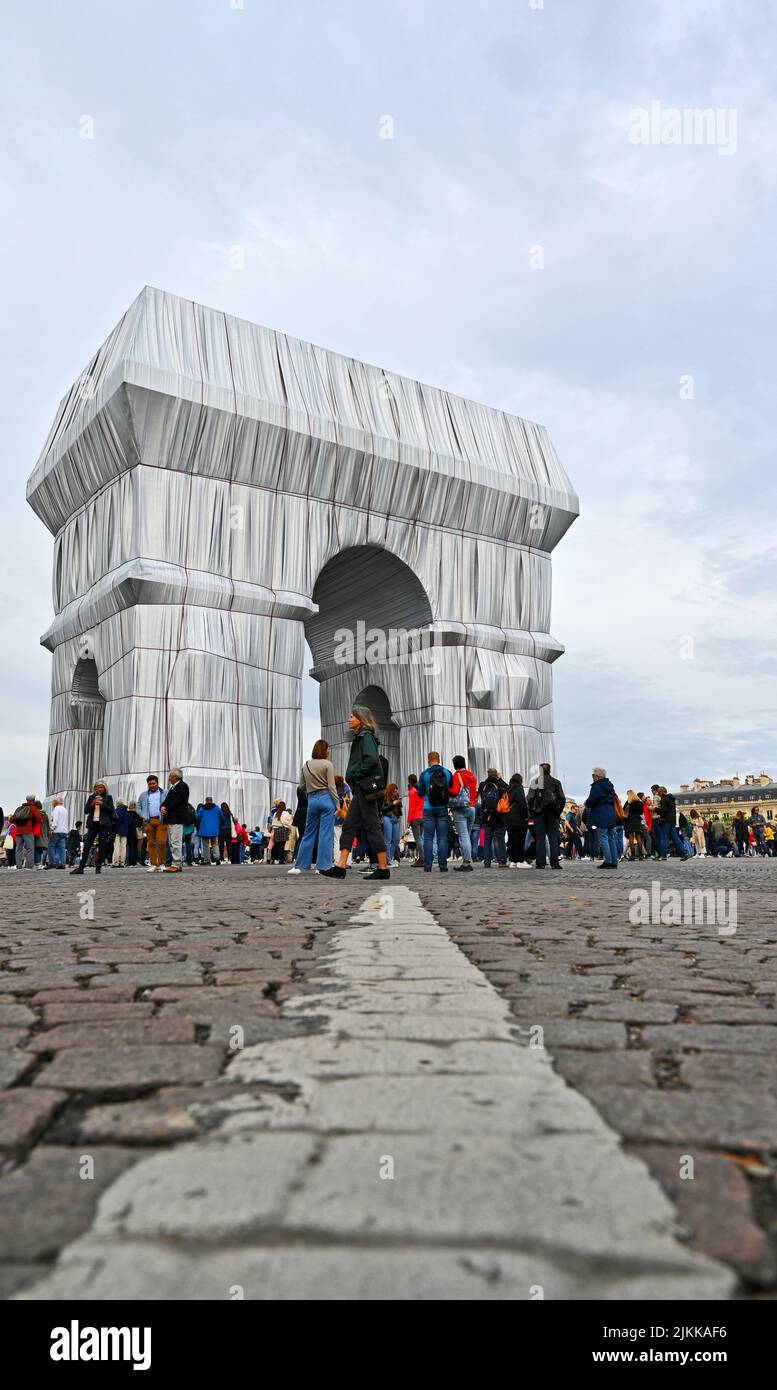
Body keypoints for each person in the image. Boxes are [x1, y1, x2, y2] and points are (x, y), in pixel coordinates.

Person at [319, 706, 391, 881]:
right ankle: (340, 866)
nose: (349, 719)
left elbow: (372, 760)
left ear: (360, 719)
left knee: (372, 826)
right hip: (360, 790)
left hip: (364, 789)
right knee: (349, 826)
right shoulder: (360, 737)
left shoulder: (365, 737)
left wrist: (355, 774)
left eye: (352, 716)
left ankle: (383, 867)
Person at [289, 740, 339, 874]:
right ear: (324, 750)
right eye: (328, 749)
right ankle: (323, 866)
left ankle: (300, 866)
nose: (329, 751)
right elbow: (332, 787)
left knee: (308, 833)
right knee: (325, 834)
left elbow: (301, 786)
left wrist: (311, 790)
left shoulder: (306, 765)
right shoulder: (327, 764)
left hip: (312, 800)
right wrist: (338, 805)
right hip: (326, 798)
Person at [416, 752, 454, 873]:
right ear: (439, 759)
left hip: (428, 808)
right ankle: (443, 865)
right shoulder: (447, 773)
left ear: (428, 760)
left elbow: (420, 793)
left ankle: (428, 865)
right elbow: (450, 789)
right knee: (442, 837)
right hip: (442, 808)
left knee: (428, 837)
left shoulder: (424, 774)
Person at [71, 780, 115, 874]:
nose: (99, 789)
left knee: (102, 846)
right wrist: (92, 804)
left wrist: (102, 804)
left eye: (101, 787)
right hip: (93, 824)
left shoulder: (108, 797)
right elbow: (86, 810)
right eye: (97, 787)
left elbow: (111, 809)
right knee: (87, 846)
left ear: (104, 788)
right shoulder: (91, 797)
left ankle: (98, 867)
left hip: (103, 825)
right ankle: (81, 867)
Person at [527, 763, 565, 869]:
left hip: (539, 813)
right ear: (550, 770)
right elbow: (562, 798)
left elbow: (530, 799)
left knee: (540, 838)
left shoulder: (535, 782)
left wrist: (532, 812)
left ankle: (540, 862)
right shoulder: (556, 782)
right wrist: (558, 812)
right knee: (553, 838)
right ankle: (555, 863)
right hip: (553, 813)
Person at [585, 768, 618, 868]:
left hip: (601, 813)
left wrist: (587, 803)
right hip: (611, 812)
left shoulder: (596, 787)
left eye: (593, 775)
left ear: (597, 776)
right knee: (611, 837)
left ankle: (608, 861)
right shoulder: (609, 785)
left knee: (603, 837)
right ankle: (614, 861)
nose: (592, 777)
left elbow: (591, 801)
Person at [450, 755, 477, 873]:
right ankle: (467, 861)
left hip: (461, 808)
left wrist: (447, 789)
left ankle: (466, 863)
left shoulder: (457, 775)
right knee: (467, 834)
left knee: (463, 836)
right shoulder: (471, 775)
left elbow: (455, 791)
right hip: (472, 808)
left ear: (455, 764)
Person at [159, 768, 190, 874]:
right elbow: (167, 800)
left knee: (176, 841)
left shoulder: (183, 786)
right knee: (172, 842)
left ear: (176, 777)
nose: (169, 778)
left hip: (177, 817)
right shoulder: (173, 788)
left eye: (170, 776)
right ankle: (176, 863)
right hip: (171, 818)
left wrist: (166, 808)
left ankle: (176, 863)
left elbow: (177, 801)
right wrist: (162, 806)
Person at [477, 768, 509, 868]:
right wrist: (500, 779)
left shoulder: (483, 785)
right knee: (500, 839)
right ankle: (502, 861)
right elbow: (508, 788)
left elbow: (480, 794)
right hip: (499, 816)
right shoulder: (500, 785)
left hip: (487, 816)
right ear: (496, 775)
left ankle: (487, 862)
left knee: (487, 840)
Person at [137, 774, 167, 873]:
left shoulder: (164, 793)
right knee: (151, 843)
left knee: (161, 842)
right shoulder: (143, 795)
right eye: (149, 784)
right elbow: (138, 807)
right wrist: (143, 815)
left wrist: (167, 812)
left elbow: (170, 803)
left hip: (161, 821)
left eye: (153, 783)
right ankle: (154, 864)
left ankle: (162, 863)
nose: (151, 785)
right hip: (149, 821)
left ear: (157, 783)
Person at [503, 773, 530, 867]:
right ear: (520, 780)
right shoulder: (519, 788)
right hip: (518, 818)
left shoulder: (507, 789)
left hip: (508, 818)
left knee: (512, 839)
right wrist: (525, 816)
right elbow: (521, 804)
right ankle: (520, 861)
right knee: (520, 839)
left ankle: (513, 861)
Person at [656, 786, 689, 861]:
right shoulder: (671, 799)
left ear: (661, 792)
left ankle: (663, 855)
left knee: (664, 838)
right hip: (672, 822)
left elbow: (663, 810)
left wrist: (655, 809)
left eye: (659, 793)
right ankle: (685, 852)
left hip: (665, 821)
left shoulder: (664, 800)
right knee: (676, 838)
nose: (658, 794)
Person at [12, 795, 41, 871]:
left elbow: (13, 818)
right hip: (27, 830)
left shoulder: (20, 808)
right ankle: (29, 866)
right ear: (33, 800)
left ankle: (18, 866)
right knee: (30, 848)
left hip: (18, 831)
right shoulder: (33, 808)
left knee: (18, 849)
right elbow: (39, 818)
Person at [381, 783, 403, 868]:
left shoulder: (396, 796)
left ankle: (390, 857)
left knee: (396, 839)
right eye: (395, 790)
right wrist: (393, 804)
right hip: (388, 818)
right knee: (388, 839)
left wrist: (398, 801)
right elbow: (383, 809)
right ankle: (388, 860)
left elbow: (399, 808)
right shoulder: (385, 797)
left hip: (395, 819)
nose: (396, 791)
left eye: (396, 790)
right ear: (391, 789)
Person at [406, 773, 425, 867]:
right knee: (421, 839)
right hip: (423, 816)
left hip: (415, 818)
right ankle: (422, 858)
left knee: (418, 840)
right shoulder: (421, 791)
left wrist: (408, 821)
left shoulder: (412, 792)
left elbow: (411, 808)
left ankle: (422, 859)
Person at [195, 797, 221, 865]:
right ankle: (217, 858)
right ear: (212, 801)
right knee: (215, 844)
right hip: (214, 830)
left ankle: (207, 860)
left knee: (205, 845)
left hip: (205, 830)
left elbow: (197, 817)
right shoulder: (216, 808)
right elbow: (221, 816)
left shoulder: (202, 808)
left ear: (206, 801)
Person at [623, 791, 646, 861]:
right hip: (638, 820)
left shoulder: (628, 803)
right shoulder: (640, 803)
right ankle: (641, 855)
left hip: (630, 821)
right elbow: (641, 812)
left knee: (631, 838)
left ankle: (632, 855)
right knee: (638, 837)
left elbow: (624, 811)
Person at [48, 797, 68, 869]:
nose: (52, 803)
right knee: (62, 848)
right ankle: (62, 863)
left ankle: (52, 863)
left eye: (53, 802)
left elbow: (55, 821)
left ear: (56, 802)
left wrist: (51, 829)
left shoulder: (56, 809)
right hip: (64, 831)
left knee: (51, 846)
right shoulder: (65, 810)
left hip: (56, 831)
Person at [113, 800, 130, 866]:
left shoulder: (116, 811)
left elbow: (115, 821)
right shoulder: (126, 812)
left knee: (117, 847)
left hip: (117, 831)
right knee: (123, 847)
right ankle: (122, 862)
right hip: (125, 831)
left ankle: (116, 862)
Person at [127, 801, 142, 866]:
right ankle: (134, 862)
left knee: (130, 847)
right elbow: (140, 823)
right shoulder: (137, 814)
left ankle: (129, 862)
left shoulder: (127, 814)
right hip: (136, 833)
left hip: (129, 832)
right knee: (135, 847)